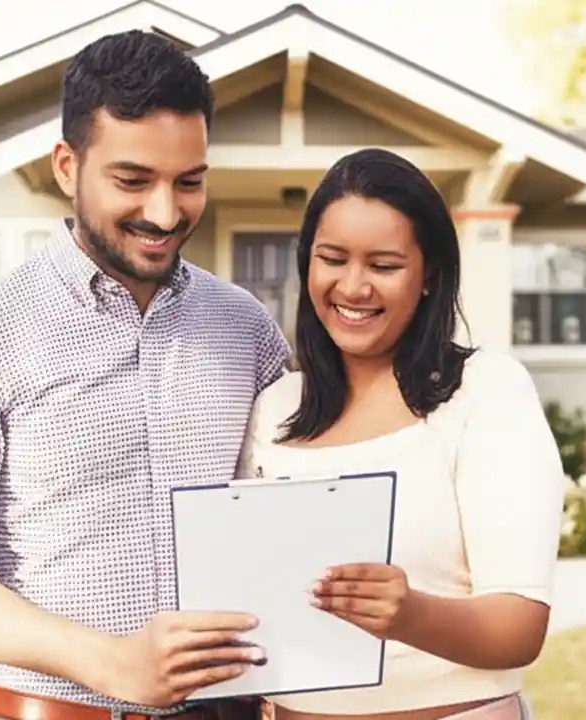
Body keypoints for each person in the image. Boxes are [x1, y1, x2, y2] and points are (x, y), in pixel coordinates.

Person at [0, 30, 289, 720]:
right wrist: (108, 661)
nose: (165, 213)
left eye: (188, 182)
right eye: (132, 181)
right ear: (67, 166)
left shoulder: (246, 327)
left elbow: (291, 499)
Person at [236, 149, 565, 720]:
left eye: (384, 266)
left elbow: (520, 627)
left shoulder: (486, 392)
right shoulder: (274, 410)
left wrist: (409, 612)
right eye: (332, 259)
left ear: (429, 275)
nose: (353, 287)